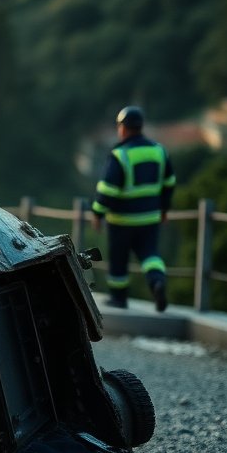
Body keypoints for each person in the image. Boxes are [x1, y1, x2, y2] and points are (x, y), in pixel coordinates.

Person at [91, 106, 176, 312]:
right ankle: (157, 281)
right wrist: (164, 209)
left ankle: (119, 298)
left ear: (123, 128)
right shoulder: (158, 151)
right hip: (150, 218)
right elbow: (169, 182)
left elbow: (108, 189)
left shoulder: (121, 155)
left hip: (122, 220)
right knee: (150, 254)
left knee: (119, 259)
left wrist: (97, 213)